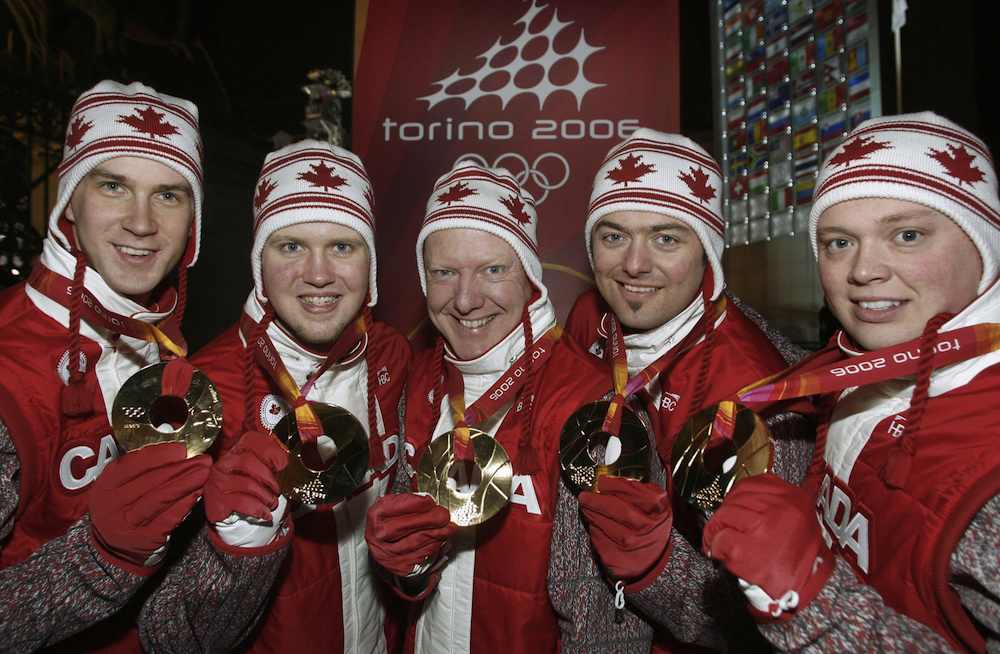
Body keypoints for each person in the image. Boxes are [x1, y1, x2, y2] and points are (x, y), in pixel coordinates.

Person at [704, 112, 1000, 653]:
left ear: (984, 244)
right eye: (839, 243)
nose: (863, 271)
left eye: (906, 235)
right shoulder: (857, 364)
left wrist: (814, 600)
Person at [137, 139, 411, 652]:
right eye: (291, 246)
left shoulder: (392, 357)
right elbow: (166, 634)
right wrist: (233, 552)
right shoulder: (199, 395)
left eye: (342, 246)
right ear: (258, 259)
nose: (318, 274)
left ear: (371, 264)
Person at [551, 128, 813, 652]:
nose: (633, 265)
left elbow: (755, 624)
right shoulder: (590, 317)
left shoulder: (760, 394)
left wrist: (655, 564)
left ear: (708, 252)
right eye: (613, 236)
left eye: (666, 238)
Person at [365, 161, 617, 654]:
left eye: (493, 270)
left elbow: (602, 628)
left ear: (530, 276)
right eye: (444, 273)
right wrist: (408, 569)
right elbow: (413, 592)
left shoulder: (589, 401)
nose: (465, 300)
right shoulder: (420, 380)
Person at [0, 80, 211, 650]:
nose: (141, 222)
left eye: (168, 195)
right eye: (114, 186)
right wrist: (100, 557)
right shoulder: (10, 367)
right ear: (69, 199)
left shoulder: (161, 339)